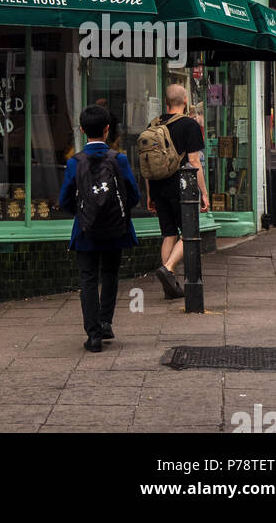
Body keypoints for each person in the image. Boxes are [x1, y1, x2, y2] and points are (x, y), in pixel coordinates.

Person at [59, 104, 141, 353]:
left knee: (88, 278)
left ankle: (93, 335)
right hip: (116, 229)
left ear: (83, 130)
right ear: (107, 129)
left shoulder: (75, 162)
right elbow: (133, 195)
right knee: (110, 275)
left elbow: (64, 200)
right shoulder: (120, 159)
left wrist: (85, 214)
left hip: (86, 231)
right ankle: (106, 323)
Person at [146, 84, 209, 297]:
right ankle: (168, 267)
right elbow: (194, 162)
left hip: (157, 186)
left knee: (169, 234)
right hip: (181, 186)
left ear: (166, 103)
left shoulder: (153, 125)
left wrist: (149, 195)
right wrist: (203, 193)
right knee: (190, 233)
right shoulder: (189, 125)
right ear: (185, 102)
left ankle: (170, 286)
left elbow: (148, 164)